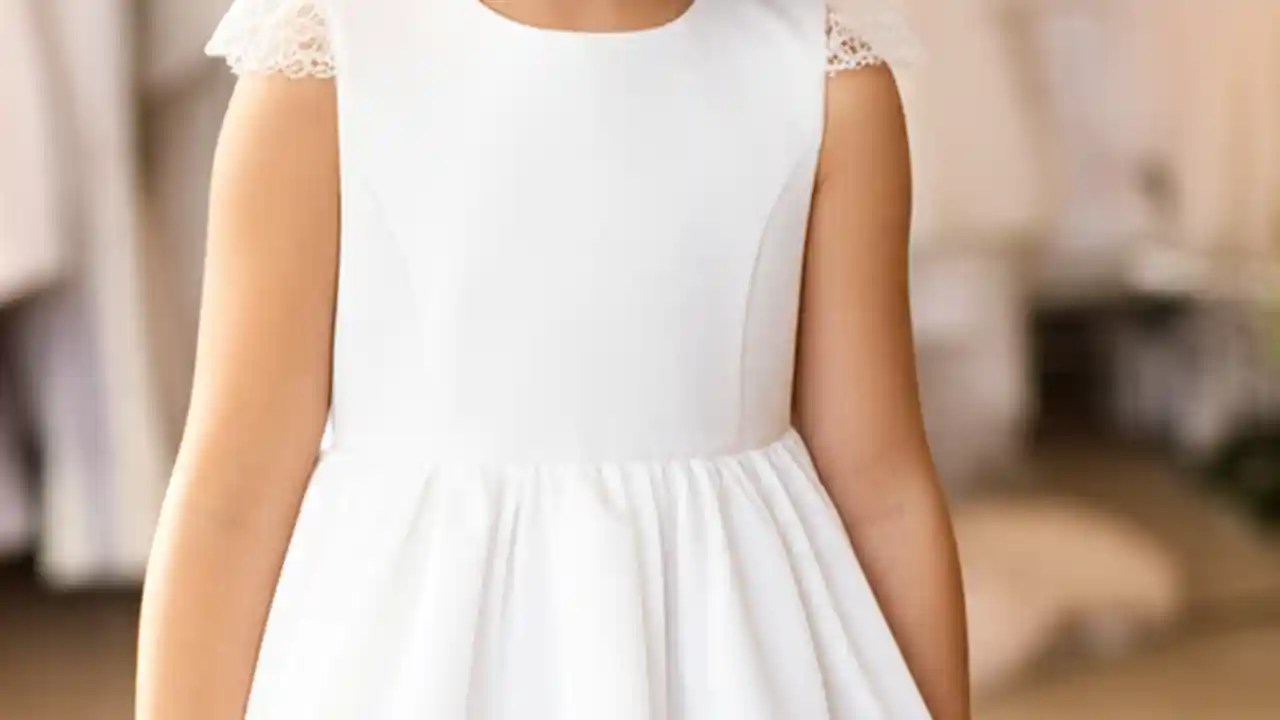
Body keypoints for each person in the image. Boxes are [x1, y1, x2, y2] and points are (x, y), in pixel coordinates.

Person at [136, 0, 969, 717]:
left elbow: (882, 490)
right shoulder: (328, 70)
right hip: (406, 667)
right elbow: (230, 503)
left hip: (732, 664)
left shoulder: (820, 82)